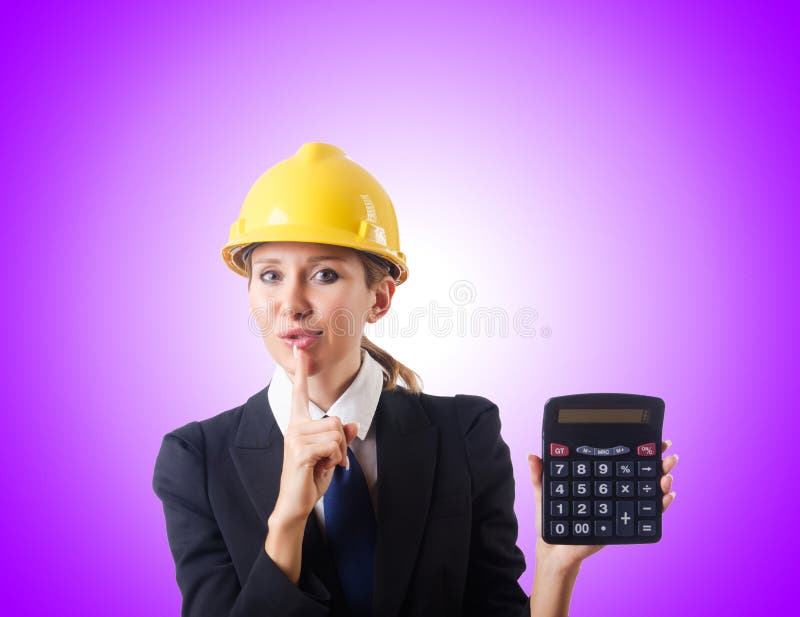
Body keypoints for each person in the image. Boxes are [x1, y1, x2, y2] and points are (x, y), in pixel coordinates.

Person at [152, 142, 679, 617]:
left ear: (379, 298)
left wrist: (555, 566)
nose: (291, 303)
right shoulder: (195, 460)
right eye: (270, 274)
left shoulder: (465, 434)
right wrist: (287, 522)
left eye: (324, 274)